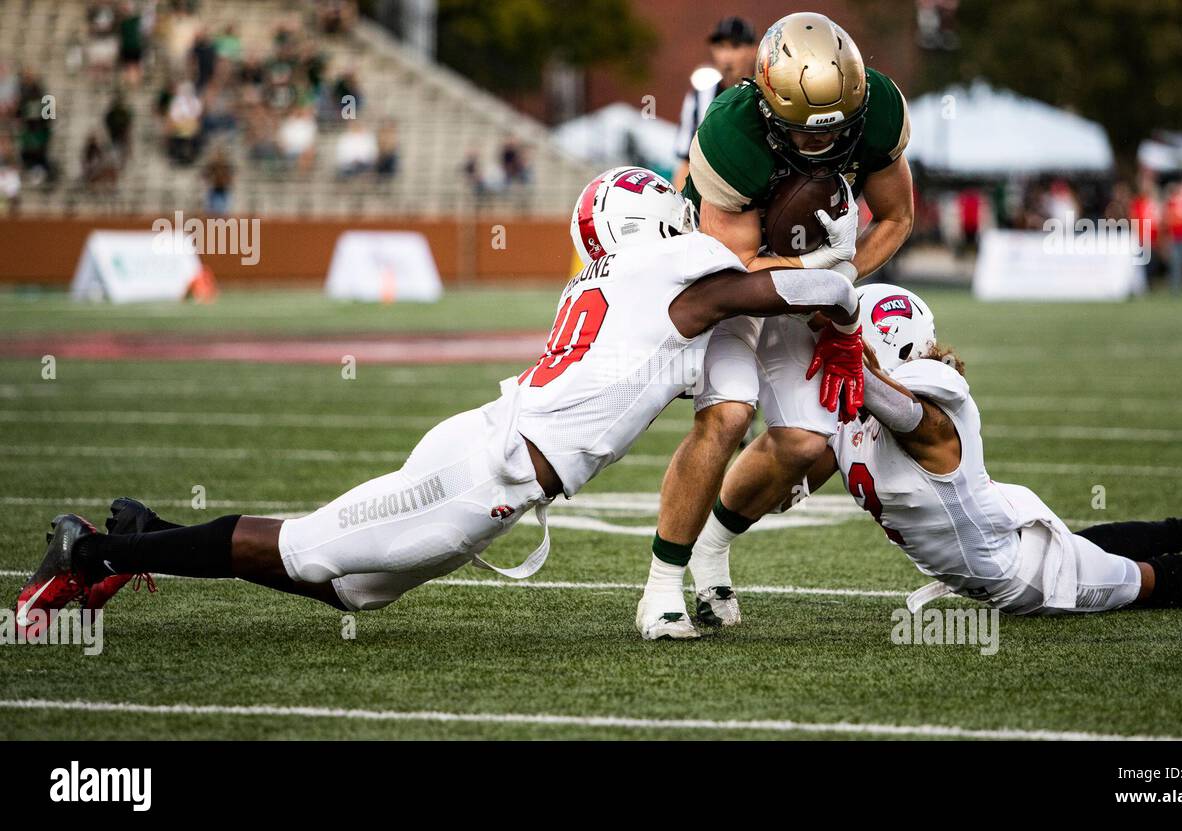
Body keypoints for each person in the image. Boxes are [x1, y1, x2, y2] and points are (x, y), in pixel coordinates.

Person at [14, 167, 866, 634]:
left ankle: (141, 528)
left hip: (488, 454)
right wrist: (838, 258)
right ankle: (97, 552)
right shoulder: (664, 269)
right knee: (313, 551)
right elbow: (773, 297)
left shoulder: (639, 283)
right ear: (645, 218)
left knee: (354, 591)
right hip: (481, 473)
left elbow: (725, 380)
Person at [708, 283, 1182, 619]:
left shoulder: (935, 395)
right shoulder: (852, 407)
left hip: (1016, 576)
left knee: (1139, 581)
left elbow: (902, 411)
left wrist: (843, 340)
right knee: (1084, 546)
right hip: (993, 522)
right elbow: (806, 450)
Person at [637, 12, 913, 639]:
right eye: (804, 133)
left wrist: (835, 283)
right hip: (722, 285)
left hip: (802, 284)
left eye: (836, 131)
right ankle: (660, 588)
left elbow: (894, 219)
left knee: (807, 444)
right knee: (730, 413)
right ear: (767, 102)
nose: (821, 146)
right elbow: (738, 269)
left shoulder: (879, 110)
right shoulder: (730, 136)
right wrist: (823, 265)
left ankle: (712, 545)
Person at [671, 16, 757, 191]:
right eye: (720, 47)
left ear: (754, 50)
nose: (726, 57)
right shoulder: (700, 96)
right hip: (712, 195)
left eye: (735, 47)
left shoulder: (765, 91)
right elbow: (686, 162)